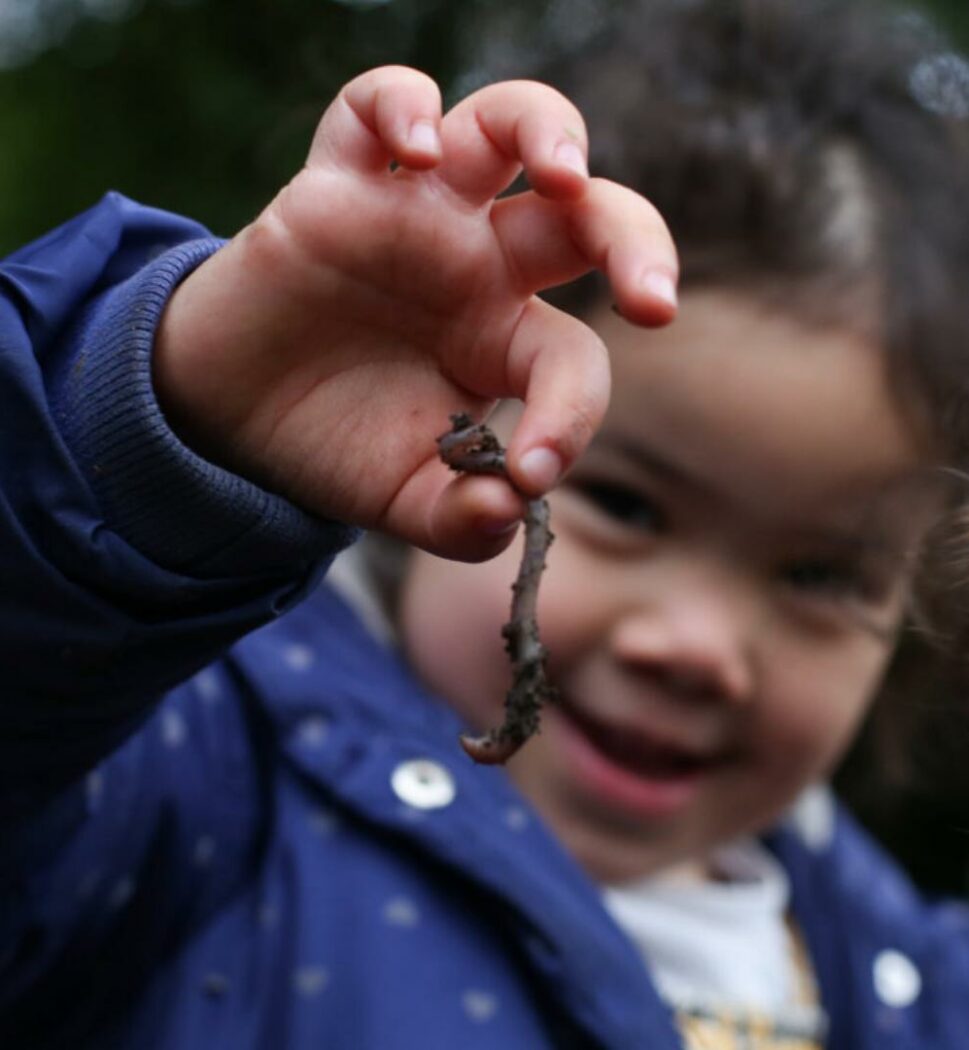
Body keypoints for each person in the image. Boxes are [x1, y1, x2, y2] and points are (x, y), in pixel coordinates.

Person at [2, 0, 969, 1047]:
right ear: (454, 409)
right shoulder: (192, 797)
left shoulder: (902, 985)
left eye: (823, 577)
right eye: (628, 505)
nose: (696, 647)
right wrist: (156, 439)